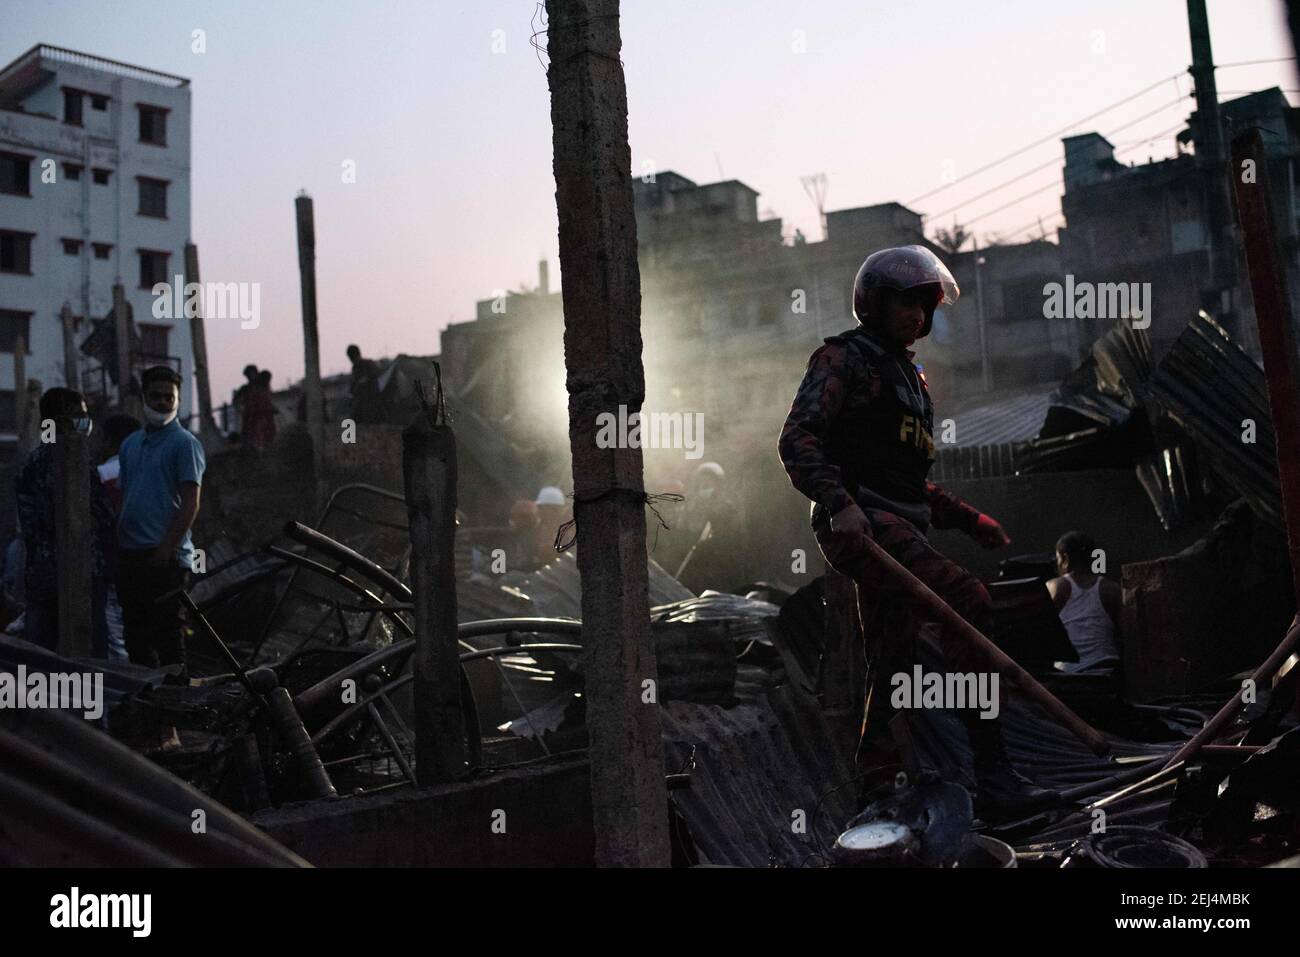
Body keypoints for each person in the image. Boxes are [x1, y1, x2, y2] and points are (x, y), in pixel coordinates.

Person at [777, 244, 1056, 820]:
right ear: (874, 302)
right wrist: (838, 503)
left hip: (897, 525)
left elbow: (906, 481)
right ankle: (994, 775)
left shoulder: (910, 378)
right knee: (968, 600)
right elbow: (797, 440)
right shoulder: (842, 359)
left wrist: (969, 519)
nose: (918, 317)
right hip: (862, 525)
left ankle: (877, 788)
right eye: (906, 302)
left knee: (892, 662)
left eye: (925, 306)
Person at [13, 388, 117, 653]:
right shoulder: (76, 460)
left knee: (43, 657)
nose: (84, 422)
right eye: (78, 416)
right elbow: (103, 516)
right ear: (58, 421)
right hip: (82, 574)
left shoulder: (30, 464)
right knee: (90, 658)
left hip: (41, 573)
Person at [116, 366, 205, 676]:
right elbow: (126, 496)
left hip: (164, 557)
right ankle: (145, 711)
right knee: (135, 637)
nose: (164, 402)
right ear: (144, 398)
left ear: (178, 400)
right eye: (157, 396)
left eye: (170, 397)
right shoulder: (129, 445)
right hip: (131, 553)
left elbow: (191, 502)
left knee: (168, 636)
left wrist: (167, 547)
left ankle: (172, 718)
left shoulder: (184, 444)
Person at [1046, 531, 1121, 675]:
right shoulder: (1111, 589)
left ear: (1065, 558)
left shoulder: (1055, 586)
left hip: (1072, 675)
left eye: (1058, 559)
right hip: (1109, 669)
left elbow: (1043, 630)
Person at [347, 344, 381, 422]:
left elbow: (376, 371)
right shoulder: (355, 367)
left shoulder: (368, 363)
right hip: (361, 401)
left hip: (371, 399)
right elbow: (354, 383)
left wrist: (366, 378)